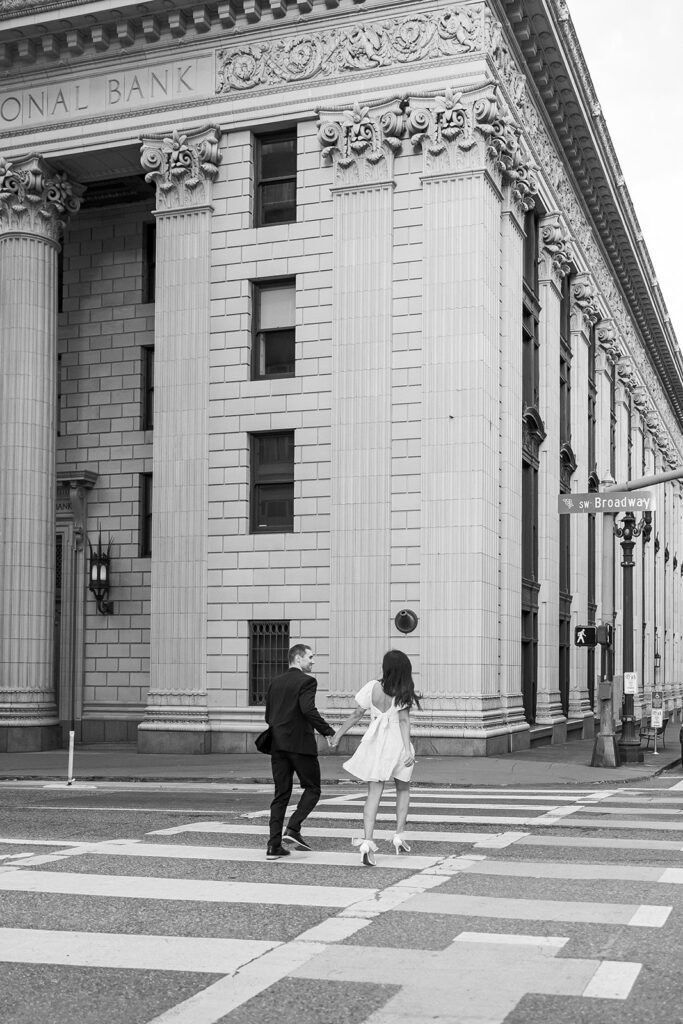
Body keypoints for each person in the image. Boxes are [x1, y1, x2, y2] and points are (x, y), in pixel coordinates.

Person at [329, 649, 420, 866]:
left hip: (376, 745)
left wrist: (337, 735)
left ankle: (367, 842)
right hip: (397, 744)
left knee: (373, 794)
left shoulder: (371, 687)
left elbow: (356, 714)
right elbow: (404, 722)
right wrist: (407, 750)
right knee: (403, 788)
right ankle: (399, 834)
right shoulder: (402, 690)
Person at [264, 643, 335, 860]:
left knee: (281, 794)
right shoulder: (307, 681)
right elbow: (308, 710)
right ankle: (293, 827)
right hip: (301, 746)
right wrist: (328, 731)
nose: (313, 661)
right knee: (313, 788)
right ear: (298, 659)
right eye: (310, 657)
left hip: (277, 745)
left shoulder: (274, 682)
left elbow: (269, 715)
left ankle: (273, 845)